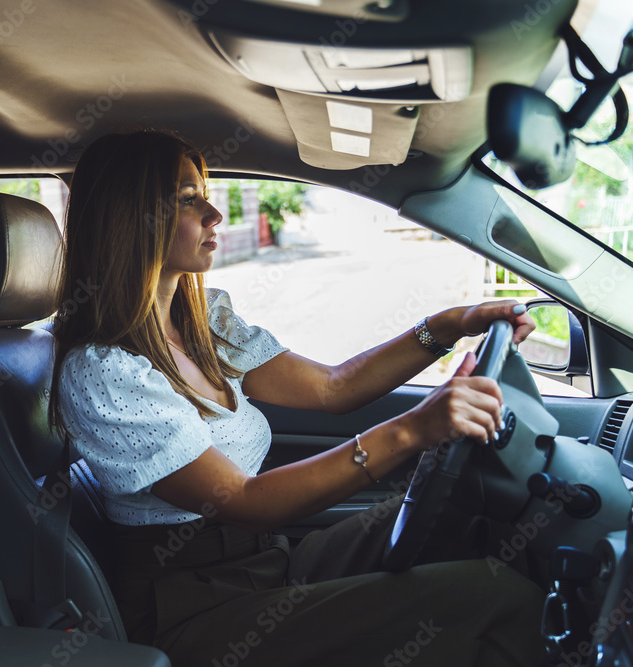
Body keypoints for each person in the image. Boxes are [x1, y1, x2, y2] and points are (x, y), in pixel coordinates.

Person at [49, 130, 545, 666]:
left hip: (265, 566)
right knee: (494, 599)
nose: (215, 214)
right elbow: (243, 501)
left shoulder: (204, 324)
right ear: (130, 219)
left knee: (477, 524)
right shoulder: (104, 372)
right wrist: (410, 431)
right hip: (196, 611)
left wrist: (446, 327)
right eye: (189, 201)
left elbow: (336, 387)